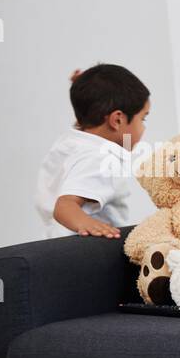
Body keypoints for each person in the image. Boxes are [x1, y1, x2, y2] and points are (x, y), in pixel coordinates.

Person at [34, 64, 152, 239]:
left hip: (57, 244)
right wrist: (89, 225)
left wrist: (81, 88)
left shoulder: (72, 143)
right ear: (117, 120)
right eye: (143, 118)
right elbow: (65, 205)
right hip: (90, 250)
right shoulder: (99, 159)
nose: (143, 128)